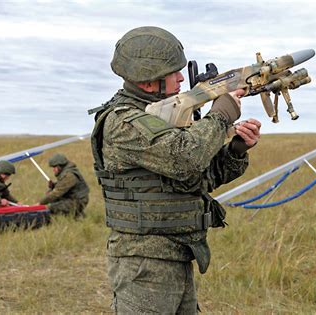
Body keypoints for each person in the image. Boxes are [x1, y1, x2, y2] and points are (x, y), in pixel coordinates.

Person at [89, 26, 261, 313]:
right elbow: (187, 158)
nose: (182, 77)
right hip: (144, 263)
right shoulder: (124, 122)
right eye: (173, 72)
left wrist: (236, 150)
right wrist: (221, 115)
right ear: (148, 81)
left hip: (177, 252)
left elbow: (199, 177)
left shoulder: (165, 116)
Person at [38, 153, 89, 218]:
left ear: (60, 166)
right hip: (74, 198)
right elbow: (64, 187)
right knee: (51, 196)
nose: (53, 170)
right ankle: (77, 215)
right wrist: (54, 185)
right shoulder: (67, 172)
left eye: (54, 167)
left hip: (77, 200)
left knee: (50, 208)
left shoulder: (69, 175)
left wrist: (40, 204)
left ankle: (76, 213)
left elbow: (56, 193)